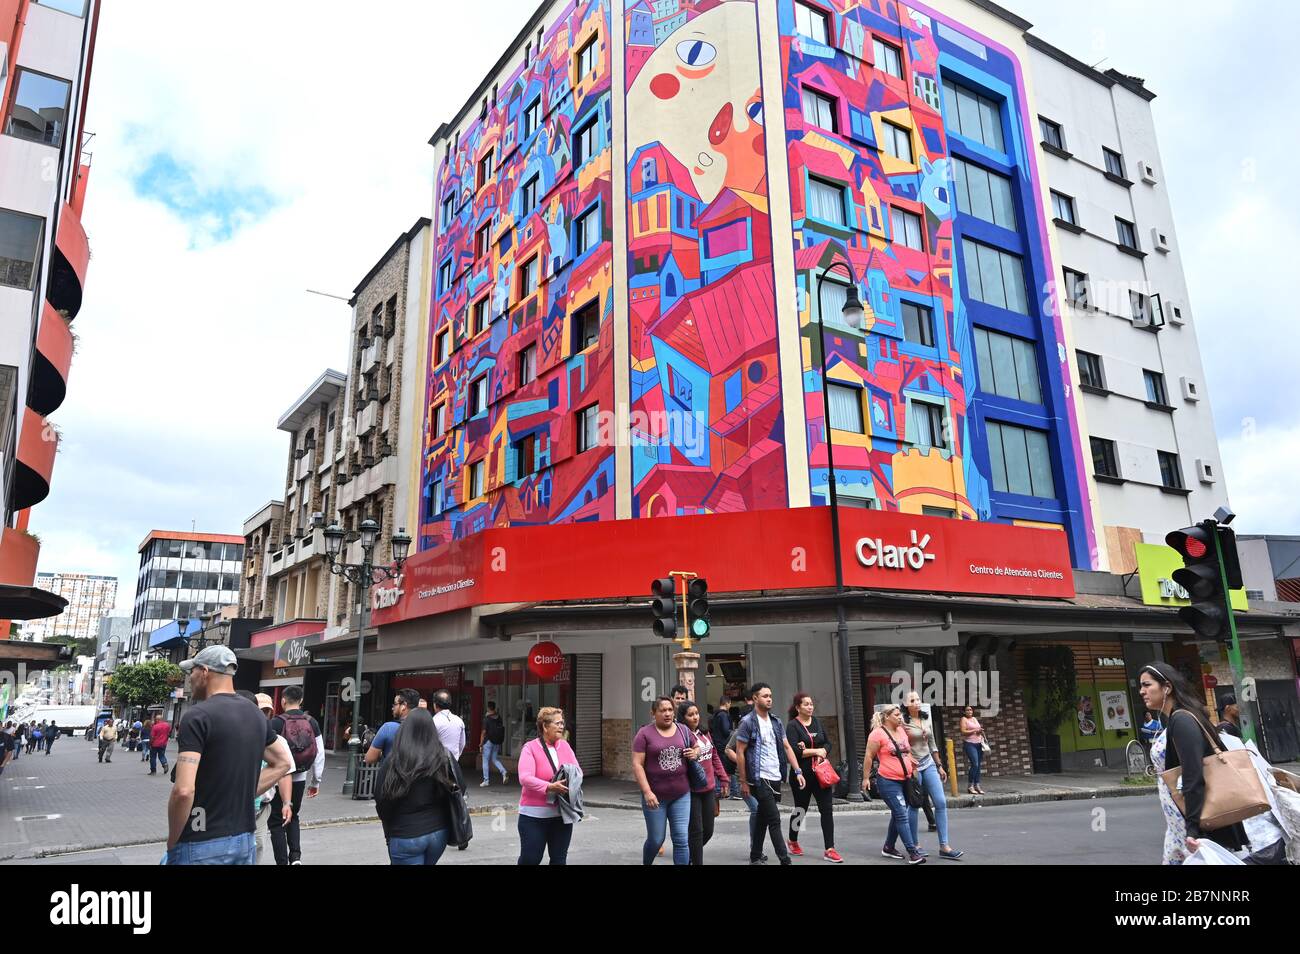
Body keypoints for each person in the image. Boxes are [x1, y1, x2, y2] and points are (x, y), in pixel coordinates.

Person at [165, 645, 293, 865]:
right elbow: (283, 762)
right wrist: (243, 791)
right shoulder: (255, 714)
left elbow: (184, 791)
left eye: (192, 672)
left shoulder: (197, 716)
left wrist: (173, 841)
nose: (190, 678)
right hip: (244, 840)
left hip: (200, 839)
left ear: (205, 672)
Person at [1139, 662, 1251, 865]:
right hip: (1180, 824)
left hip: (1194, 824)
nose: (1142, 691)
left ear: (1167, 687)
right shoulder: (1177, 718)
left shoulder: (1181, 720)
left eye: (1147, 685)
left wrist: (1193, 829)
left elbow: (1192, 774)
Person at [375, 708, 463, 865]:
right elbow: (460, 786)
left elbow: (381, 800)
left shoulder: (394, 760)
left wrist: (390, 827)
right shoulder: (443, 757)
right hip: (438, 833)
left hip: (406, 833)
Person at [735, 682, 806, 865]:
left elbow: (787, 746)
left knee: (762, 817)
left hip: (775, 776)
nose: (769, 699)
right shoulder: (747, 722)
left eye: (770, 696)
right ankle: (785, 859)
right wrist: (743, 781)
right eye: (765, 696)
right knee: (774, 818)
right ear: (755, 698)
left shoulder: (776, 721)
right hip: (759, 779)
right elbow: (740, 752)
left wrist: (797, 771)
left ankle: (755, 856)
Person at [632, 696, 696, 865]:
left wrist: (695, 752)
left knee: (681, 839)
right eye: (662, 710)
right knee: (656, 839)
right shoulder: (644, 734)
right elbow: (637, 764)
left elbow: (696, 746)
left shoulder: (683, 729)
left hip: (681, 794)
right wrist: (647, 792)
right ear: (653, 713)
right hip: (655, 797)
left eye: (670, 710)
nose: (667, 714)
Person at [267, 686, 325, 866]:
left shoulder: (276, 723)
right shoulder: (312, 722)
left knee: (276, 821)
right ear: (301, 701)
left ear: (283, 701)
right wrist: (316, 781)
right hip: (300, 777)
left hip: (278, 778)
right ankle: (296, 858)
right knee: (294, 816)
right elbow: (319, 753)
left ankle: (282, 861)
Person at [903, 691, 962, 860]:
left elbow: (932, 743)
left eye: (918, 699)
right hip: (914, 767)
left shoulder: (925, 718)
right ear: (906, 705)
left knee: (941, 802)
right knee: (914, 805)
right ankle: (915, 845)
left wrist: (940, 766)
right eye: (912, 700)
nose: (916, 702)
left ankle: (944, 846)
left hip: (928, 763)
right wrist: (909, 764)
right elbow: (902, 746)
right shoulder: (903, 723)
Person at [864, 704, 926, 864]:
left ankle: (889, 847)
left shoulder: (901, 731)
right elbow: (869, 757)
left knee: (898, 813)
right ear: (886, 717)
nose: (900, 717)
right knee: (901, 814)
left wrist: (911, 763)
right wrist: (865, 779)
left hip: (905, 779)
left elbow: (906, 751)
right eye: (897, 715)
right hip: (888, 781)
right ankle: (913, 853)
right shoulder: (877, 734)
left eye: (900, 715)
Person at [517, 706, 578, 864]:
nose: (561, 726)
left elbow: (577, 771)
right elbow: (525, 778)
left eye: (562, 723)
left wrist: (573, 782)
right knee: (531, 859)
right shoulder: (530, 748)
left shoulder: (565, 746)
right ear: (545, 726)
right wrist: (549, 787)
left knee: (559, 860)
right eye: (557, 723)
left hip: (561, 815)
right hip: (533, 817)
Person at [785, 692, 842, 863]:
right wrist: (815, 750)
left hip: (821, 774)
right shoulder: (792, 726)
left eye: (811, 704)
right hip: (801, 775)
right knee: (800, 809)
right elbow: (794, 751)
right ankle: (793, 839)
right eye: (806, 704)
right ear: (798, 707)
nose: (810, 707)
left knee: (827, 810)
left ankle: (830, 849)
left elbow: (827, 742)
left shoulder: (816, 722)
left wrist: (823, 750)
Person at [241, 691, 294, 866]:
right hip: (236, 808)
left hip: (261, 810)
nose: (263, 716)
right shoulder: (236, 737)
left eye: (266, 712)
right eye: (259, 711)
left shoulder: (278, 742)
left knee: (256, 849)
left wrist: (287, 803)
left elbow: (285, 772)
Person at [678, 700, 728, 865]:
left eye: (696, 713)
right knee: (697, 831)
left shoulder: (705, 733)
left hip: (710, 788)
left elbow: (714, 756)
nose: (695, 717)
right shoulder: (682, 735)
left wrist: (724, 778)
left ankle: (689, 855)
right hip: (692, 790)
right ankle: (694, 860)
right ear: (683, 718)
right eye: (690, 715)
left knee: (708, 830)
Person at [365, 688, 420, 764]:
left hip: (391, 774)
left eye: (395, 704)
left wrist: (382, 753)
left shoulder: (388, 728)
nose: (392, 708)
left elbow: (369, 758)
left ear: (404, 705)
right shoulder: (425, 728)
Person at [431, 689, 467, 762]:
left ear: (435, 704)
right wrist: (456, 757)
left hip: (437, 763)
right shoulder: (459, 721)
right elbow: (462, 744)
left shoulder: (433, 721)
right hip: (454, 762)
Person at [480, 700, 508, 787]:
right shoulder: (499, 717)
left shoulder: (487, 719)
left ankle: (486, 780)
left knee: (485, 761)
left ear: (488, 708)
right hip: (497, 741)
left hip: (488, 741)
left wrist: (481, 743)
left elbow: (484, 732)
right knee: (494, 759)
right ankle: (504, 772)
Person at [959, 705, 985, 795]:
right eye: (967, 710)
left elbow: (977, 729)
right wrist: (975, 731)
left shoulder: (974, 718)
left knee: (978, 766)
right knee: (975, 764)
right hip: (970, 744)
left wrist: (980, 731)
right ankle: (970, 786)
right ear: (964, 712)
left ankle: (977, 785)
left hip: (979, 743)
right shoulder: (963, 719)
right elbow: (963, 731)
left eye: (971, 709)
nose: (970, 711)